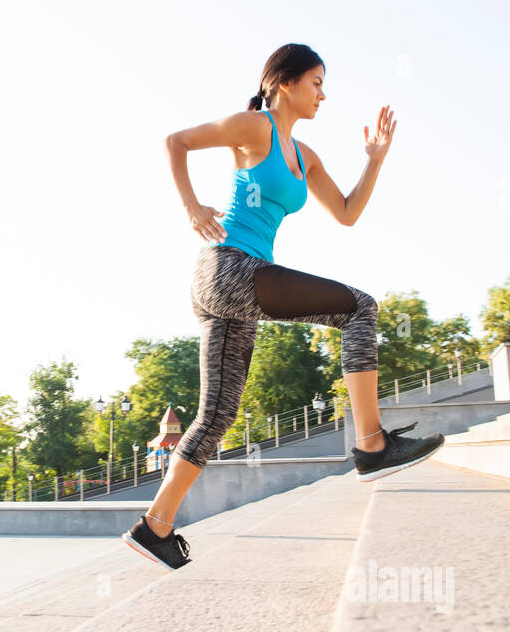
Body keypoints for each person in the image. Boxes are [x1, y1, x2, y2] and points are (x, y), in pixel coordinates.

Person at [122, 42, 445, 571]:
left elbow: (345, 213)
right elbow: (175, 141)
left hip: (232, 289)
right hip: (230, 267)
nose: (323, 94)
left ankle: (153, 526)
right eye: (316, 82)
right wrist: (191, 205)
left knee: (217, 415)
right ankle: (371, 444)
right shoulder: (255, 128)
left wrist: (375, 161)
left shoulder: (306, 156)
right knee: (359, 307)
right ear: (285, 82)